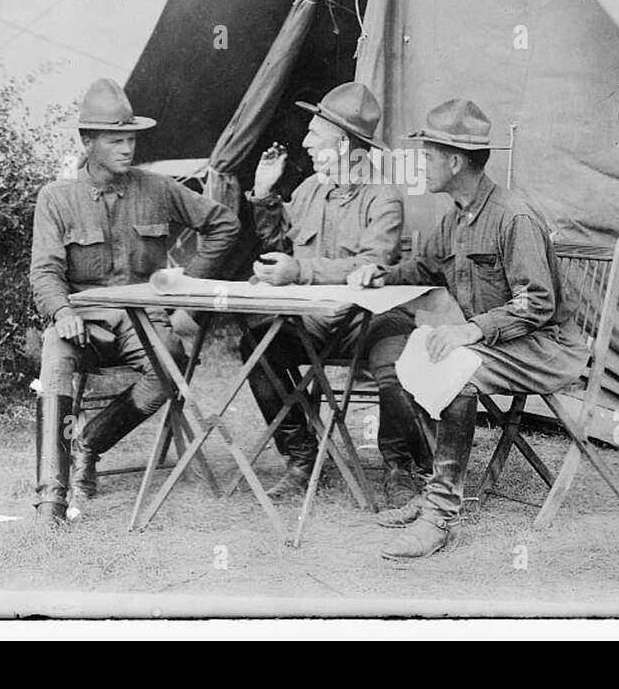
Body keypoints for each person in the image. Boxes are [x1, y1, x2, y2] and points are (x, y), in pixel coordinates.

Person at [347, 98, 587, 560]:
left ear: (455, 161)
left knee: (456, 370)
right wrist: (379, 273)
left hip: (545, 346)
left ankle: (440, 515)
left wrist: (470, 330)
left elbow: (538, 303)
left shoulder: (511, 216)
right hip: (506, 341)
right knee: (409, 357)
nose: (421, 164)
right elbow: (424, 267)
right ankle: (437, 487)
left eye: (428, 155)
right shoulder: (457, 216)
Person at [30, 78, 239, 523]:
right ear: (88, 143)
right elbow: (45, 273)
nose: (128, 149)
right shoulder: (56, 198)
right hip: (81, 318)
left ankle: (87, 443)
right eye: (116, 140)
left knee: (170, 367)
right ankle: (51, 497)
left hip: (143, 319)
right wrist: (62, 311)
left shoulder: (157, 188)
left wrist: (186, 294)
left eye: (131, 139)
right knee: (54, 355)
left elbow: (223, 224)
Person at [241, 82, 427, 502]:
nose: (304, 142)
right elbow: (279, 252)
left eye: (314, 134)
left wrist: (298, 271)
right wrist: (266, 195)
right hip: (313, 322)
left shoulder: (384, 199)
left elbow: (369, 267)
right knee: (256, 347)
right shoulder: (307, 190)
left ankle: (400, 465)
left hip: (366, 320)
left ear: (342, 143)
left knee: (395, 363)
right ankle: (301, 457)